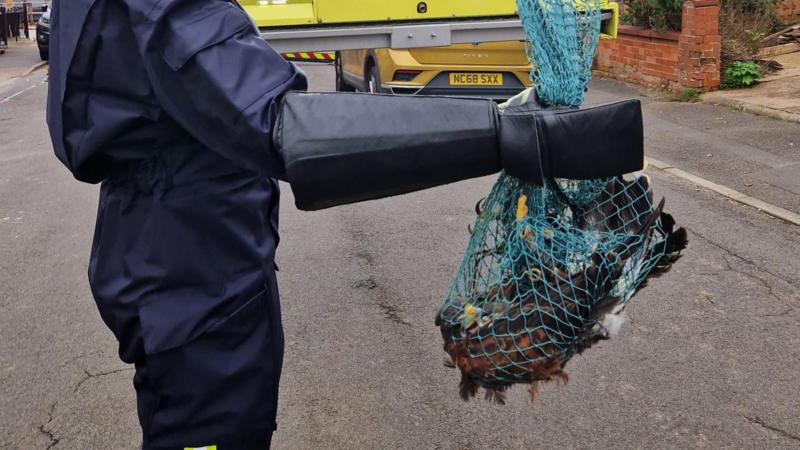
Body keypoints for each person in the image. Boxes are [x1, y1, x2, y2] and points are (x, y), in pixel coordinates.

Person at [47, 0, 643, 448]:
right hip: (196, 283)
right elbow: (284, 128)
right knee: (210, 427)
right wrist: (509, 136)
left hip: (177, 256)